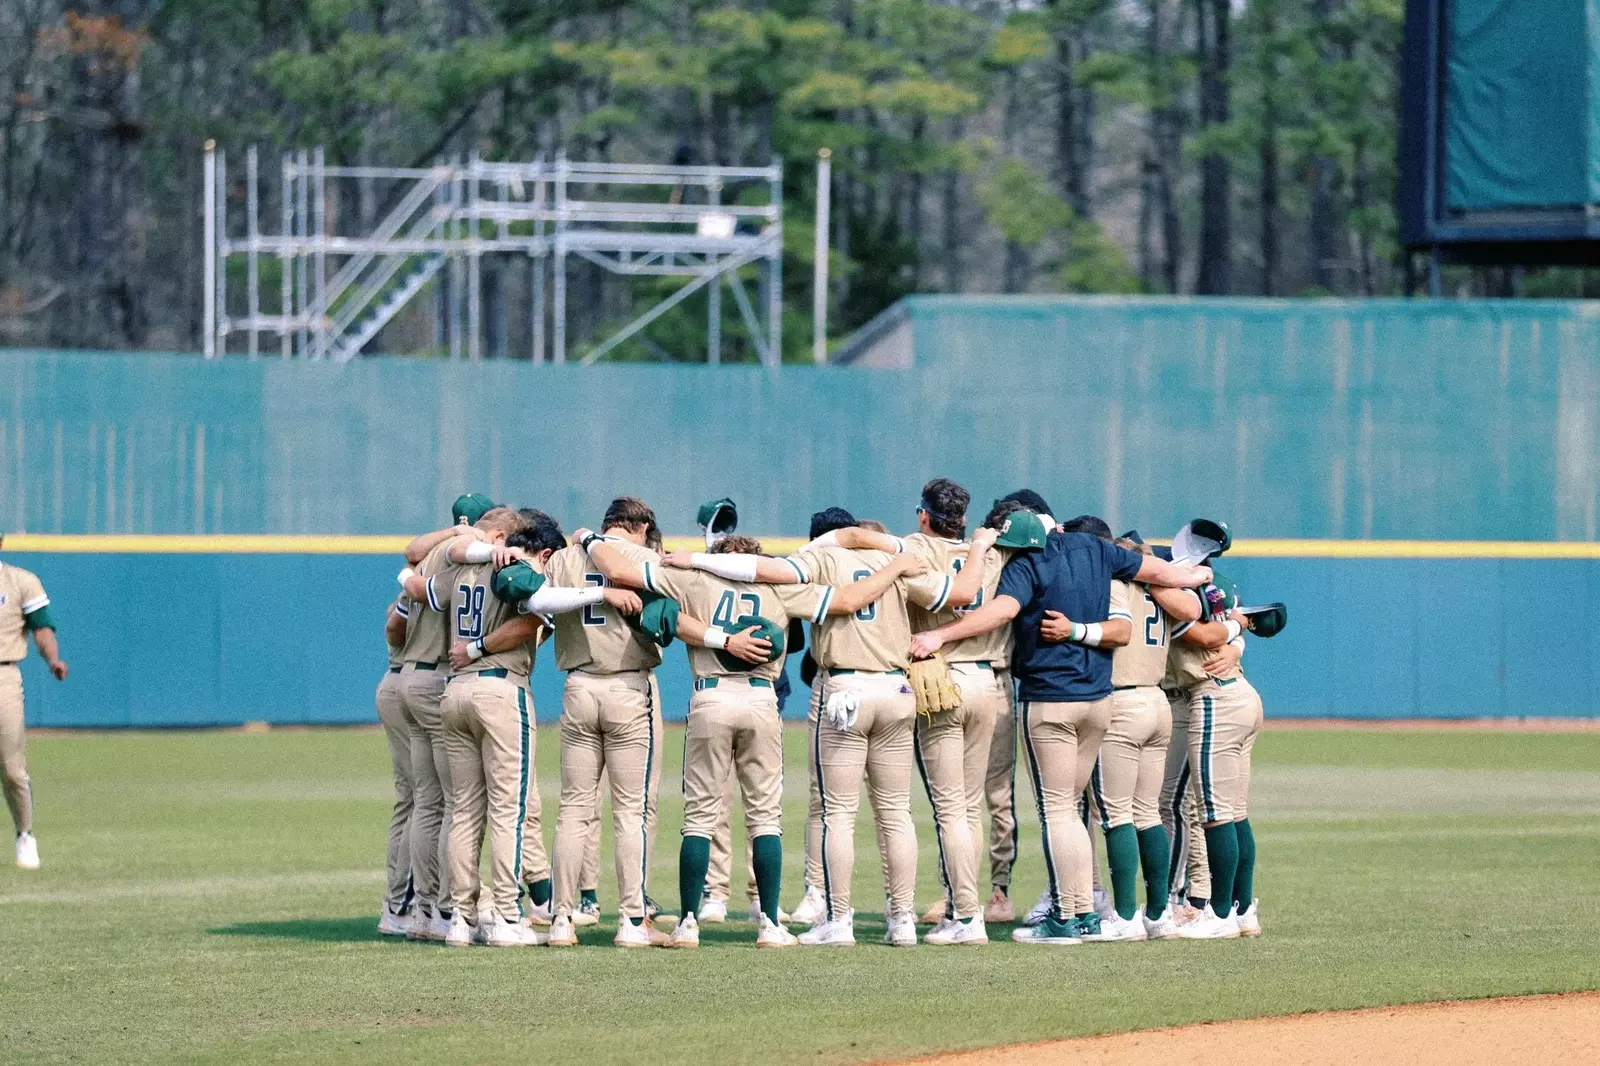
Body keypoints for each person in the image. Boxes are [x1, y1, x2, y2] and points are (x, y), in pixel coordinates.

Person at [910, 512, 1211, 946]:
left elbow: (999, 612)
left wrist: (940, 637)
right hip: (1098, 701)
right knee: (1080, 810)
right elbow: (1164, 573)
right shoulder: (1098, 550)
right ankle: (1088, 912)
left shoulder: (1026, 565)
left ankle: (1065, 918)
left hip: (1050, 699)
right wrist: (1202, 572)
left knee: (1059, 810)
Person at [587, 531, 885, 948]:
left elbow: (617, 568)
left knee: (699, 817)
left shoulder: (693, 578)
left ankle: (688, 922)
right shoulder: (777, 584)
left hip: (710, 696)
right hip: (760, 699)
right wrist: (896, 567)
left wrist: (587, 538)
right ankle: (768, 924)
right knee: (765, 816)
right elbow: (848, 601)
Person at [684, 509, 951, 947]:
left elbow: (760, 568)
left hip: (846, 688)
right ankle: (901, 919)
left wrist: (695, 559)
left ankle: (838, 920)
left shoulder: (825, 559)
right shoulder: (902, 564)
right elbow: (955, 593)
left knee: (836, 813)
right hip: (897, 689)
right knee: (896, 811)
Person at [543, 498, 672, 948]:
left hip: (578, 684)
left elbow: (536, 607)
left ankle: (561, 918)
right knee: (631, 811)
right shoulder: (644, 558)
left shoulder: (561, 559)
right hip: (628, 686)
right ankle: (633, 920)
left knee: (574, 810)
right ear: (637, 526)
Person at [393, 493, 496, 940]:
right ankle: (448, 909)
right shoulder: (469, 559)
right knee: (455, 803)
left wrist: (406, 578)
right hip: (439, 677)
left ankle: (415, 910)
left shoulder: (429, 553)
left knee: (421, 801)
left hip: (406, 677)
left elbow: (393, 621)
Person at [1072, 531, 1180, 941]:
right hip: (1157, 700)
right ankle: (1157, 914)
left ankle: (1123, 916)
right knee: (1148, 812)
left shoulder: (1117, 586)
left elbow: (1115, 633)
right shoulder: (1161, 590)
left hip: (1122, 702)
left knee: (1117, 814)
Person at [1150, 572, 1264, 939]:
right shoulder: (1204, 594)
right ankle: (1242, 910)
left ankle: (1218, 914)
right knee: (1234, 813)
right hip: (1239, 694)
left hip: (1213, 697)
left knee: (1214, 814)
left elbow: (1205, 635)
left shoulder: (1171, 596)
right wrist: (1238, 631)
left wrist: (1234, 630)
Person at [0, 537, 67, 870]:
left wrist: (53, 660)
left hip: (4, 675)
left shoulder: (20, 581)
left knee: (11, 769)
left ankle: (24, 834)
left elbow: (42, 630)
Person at [376, 595, 415, 935]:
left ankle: (399, 902)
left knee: (413, 800)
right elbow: (393, 625)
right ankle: (404, 903)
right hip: (410, 685)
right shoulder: (428, 582)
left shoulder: (418, 582)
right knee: (427, 800)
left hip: (398, 683)